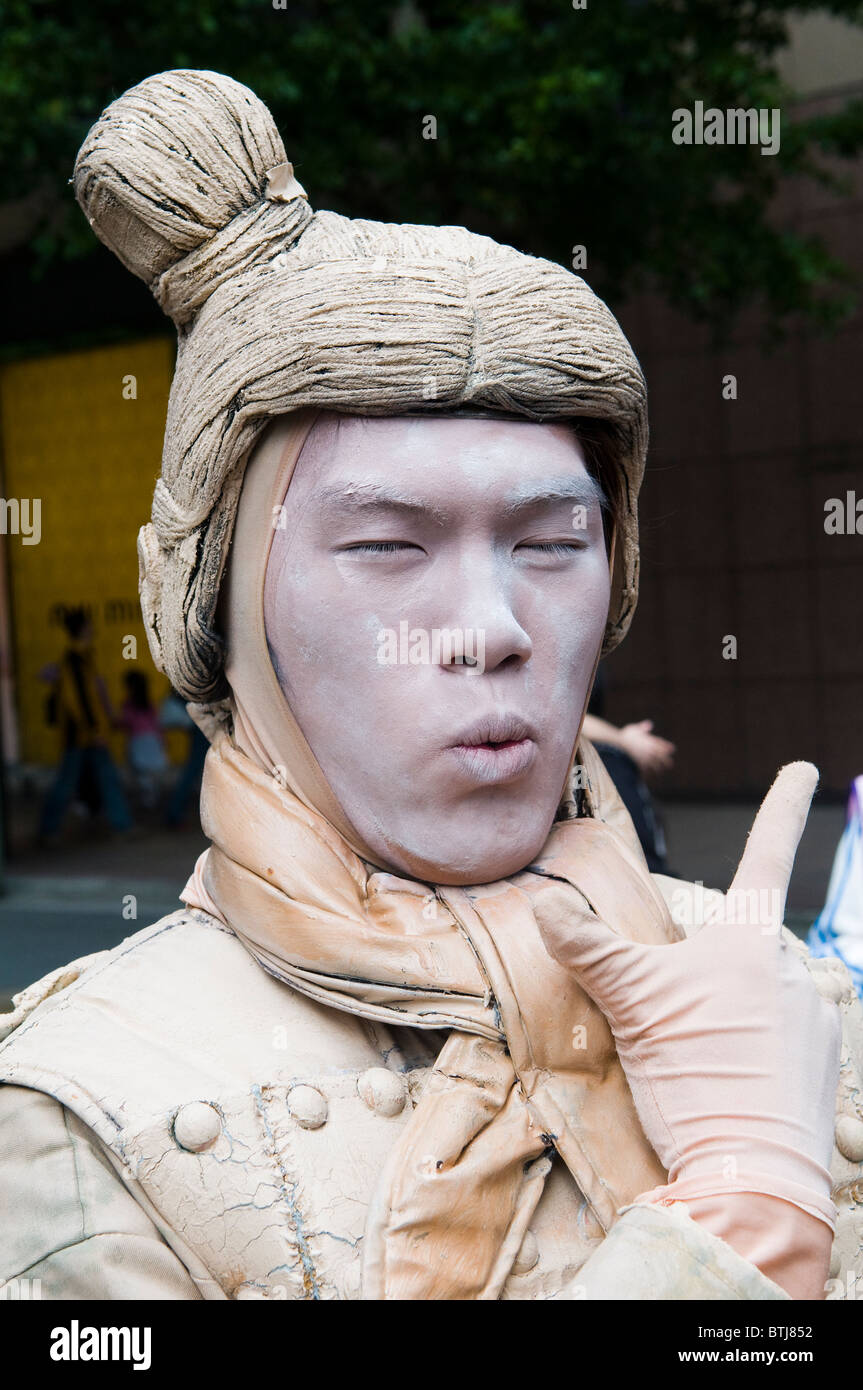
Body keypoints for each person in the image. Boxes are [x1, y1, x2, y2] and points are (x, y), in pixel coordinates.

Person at [1, 70, 862, 1302]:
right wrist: (734, 1226)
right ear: (212, 610)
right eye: (388, 547)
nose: (490, 628)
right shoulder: (76, 1114)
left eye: (552, 543)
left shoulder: (786, 1000)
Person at [38, 606, 133, 841]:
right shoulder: (75, 660)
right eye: (89, 625)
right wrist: (94, 730)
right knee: (67, 784)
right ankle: (48, 830)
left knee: (103, 778)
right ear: (81, 629)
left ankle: (122, 825)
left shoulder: (82, 657)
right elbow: (78, 701)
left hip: (88, 735)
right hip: (82, 736)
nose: (92, 629)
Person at [120, 670, 168, 809]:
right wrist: (162, 741)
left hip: (138, 742)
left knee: (142, 772)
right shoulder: (149, 704)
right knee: (153, 772)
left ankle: (148, 798)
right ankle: (152, 796)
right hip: (152, 740)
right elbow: (157, 725)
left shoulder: (128, 705)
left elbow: (126, 723)